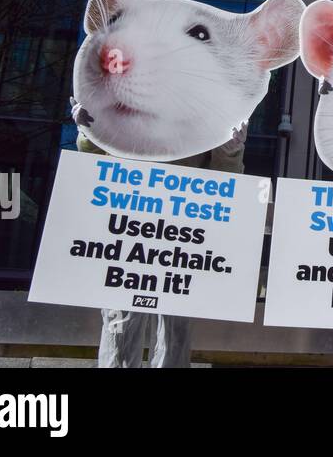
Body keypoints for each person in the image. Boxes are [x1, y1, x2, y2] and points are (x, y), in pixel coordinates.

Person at [78, 112, 246, 368]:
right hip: (129, 233)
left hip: (181, 240)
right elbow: (97, 168)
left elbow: (224, 182)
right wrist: (88, 133)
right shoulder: (126, 104)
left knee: (174, 331)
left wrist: (230, 150)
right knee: (120, 325)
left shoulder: (206, 110)